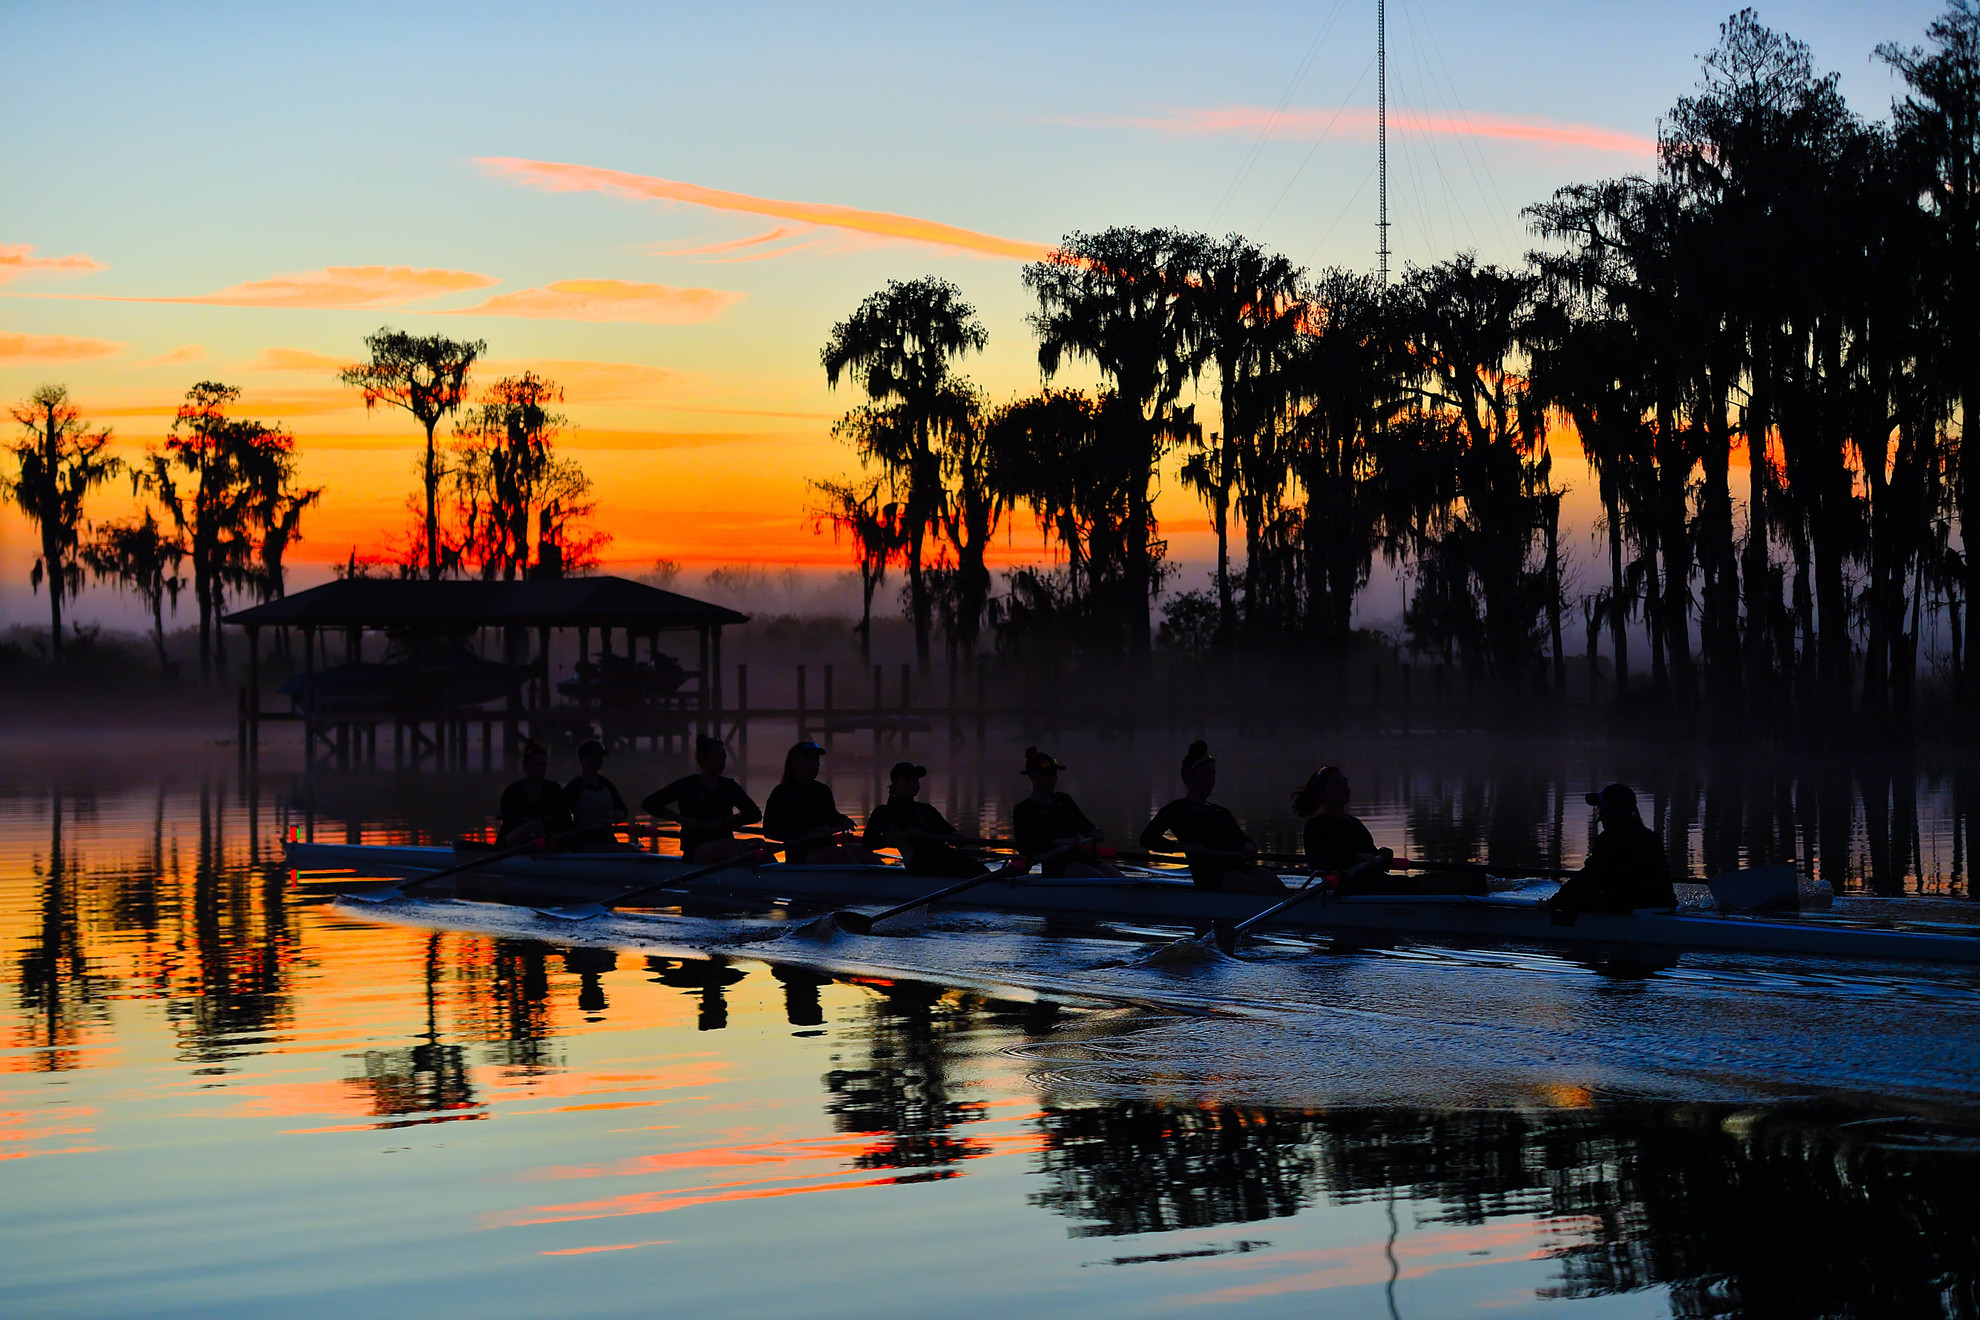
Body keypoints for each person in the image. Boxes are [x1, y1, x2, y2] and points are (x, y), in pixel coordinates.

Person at [1139, 740, 1286, 894]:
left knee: (1268, 878)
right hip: (1211, 876)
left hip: (1238, 868)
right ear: (1190, 776)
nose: (1212, 780)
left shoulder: (1221, 811)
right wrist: (1185, 848)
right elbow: (1147, 838)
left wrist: (1248, 847)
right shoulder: (1177, 809)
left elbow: (1242, 840)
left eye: (1213, 774)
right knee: (1258, 888)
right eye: (1207, 775)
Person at [1548, 783, 1678, 914]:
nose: (1599, 813)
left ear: (1610, 812)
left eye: (1600, 808)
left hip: (1632, 908)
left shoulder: (1611, 841)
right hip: (1661, 905)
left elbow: (1590, 878)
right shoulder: (1650, 838)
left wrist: (1555, 902)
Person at [642, 735, 762, 863]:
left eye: (723, 757)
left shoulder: (729, 786)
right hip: (696, 849)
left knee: (759, 844)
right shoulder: (687, 785)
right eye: (717, 757)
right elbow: (649, 803)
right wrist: (679, 818)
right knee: (729, 846)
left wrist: (727, 820)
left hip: (725, 846)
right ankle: (747, 876)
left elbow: (754, 814)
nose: (722, 761)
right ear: (703, 759)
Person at [1012, 746, 1124, 879]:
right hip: (1056, 866)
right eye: (1047, 775)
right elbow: (1026, 848)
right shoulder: (1024, 810)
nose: (1052, 779)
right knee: (1101, 880)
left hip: (1081, 858)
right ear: (1032, 777)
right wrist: (1062, 842)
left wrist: (1095, 830)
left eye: (1054, 774)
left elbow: (1085, 825)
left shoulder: (1063, 800)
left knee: (1119, 879)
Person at [863, 762, 987, 879]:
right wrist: (903, 836)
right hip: (921, 866)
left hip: (943, 858)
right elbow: (868, 843)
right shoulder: (884, 812)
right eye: (908, 780)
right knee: (973, 869)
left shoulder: (926, 809)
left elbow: (948, 832)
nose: (914, 783)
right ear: (895, 783)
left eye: (916, 780)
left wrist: (957, 837)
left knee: (975, 867)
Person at [763, 740, 875, 864]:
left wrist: (842, 819)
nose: (816, 765)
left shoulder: (822, 790)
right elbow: (770, 831)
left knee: (861, 851)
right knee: (839, 854)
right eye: (810, 760)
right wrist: (810, 832)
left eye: (817, 760)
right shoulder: (782, 793)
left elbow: (831, 817)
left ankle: (889, 877)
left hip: (828, 849)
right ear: (795, 763)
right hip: (802, 856)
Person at [497, 740, 574, 846]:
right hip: (515, 840)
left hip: (547, 838)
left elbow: (565, 820)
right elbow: (509, 823)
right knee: (535, 825)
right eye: (536, 765)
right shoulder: (513, 791)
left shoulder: (553, 789)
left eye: (544, 764)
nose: (541, 769)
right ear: (525, 767)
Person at [565, 738, 633, 850]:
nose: (597, 761)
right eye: (593, 757)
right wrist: (592, 827)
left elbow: (623, 809)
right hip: (584, 842)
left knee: (630, 849)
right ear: (581, 760)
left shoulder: (607, 785)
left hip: (607, 838)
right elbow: (561, 819)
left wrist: (620, 813)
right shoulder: (574, 788)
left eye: (600, 757)